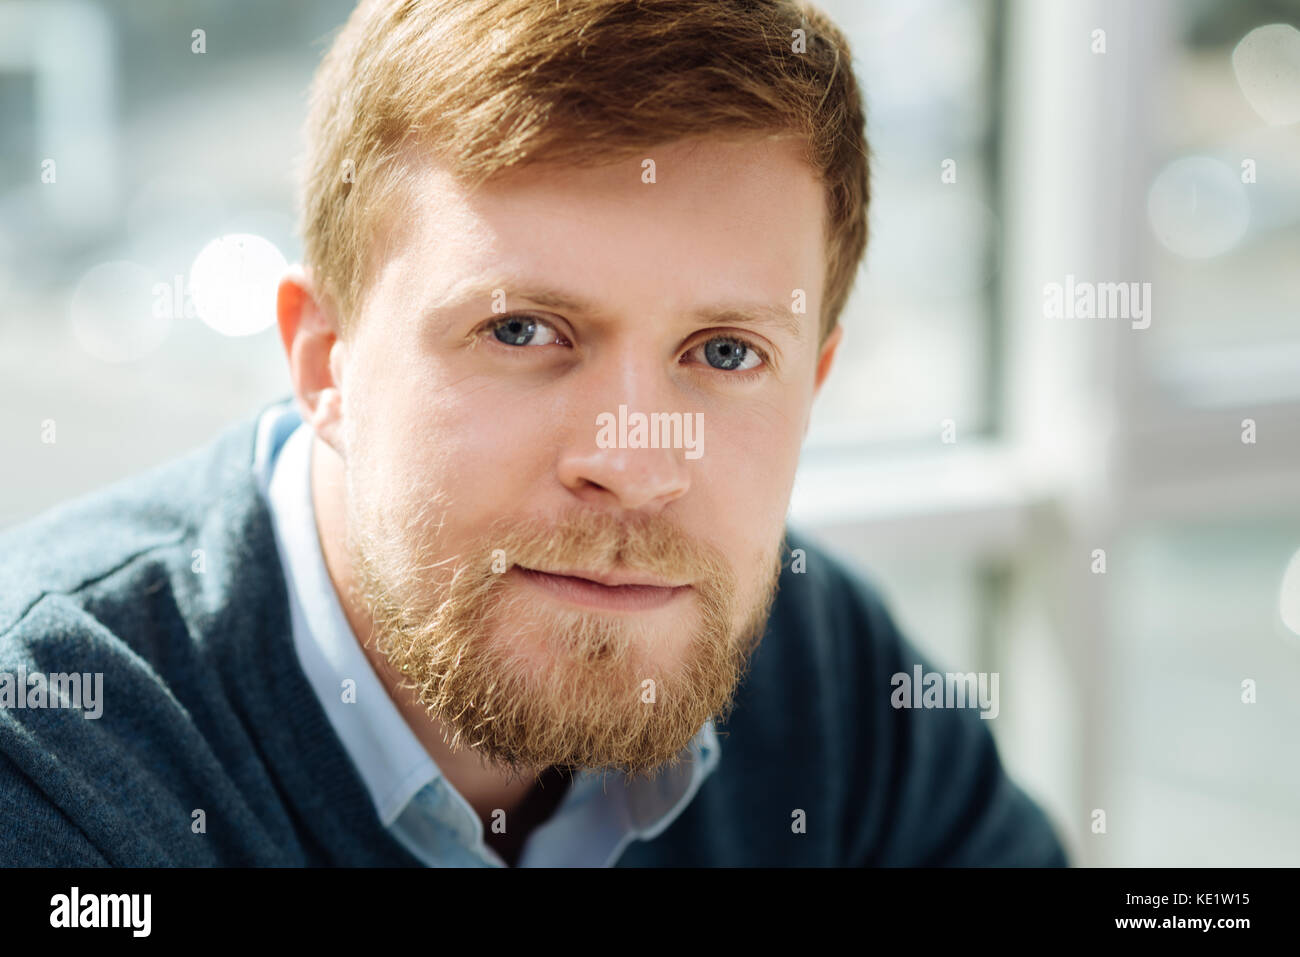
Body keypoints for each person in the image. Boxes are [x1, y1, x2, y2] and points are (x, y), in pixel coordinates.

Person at [0, 0, 1068, 866]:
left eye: (726, 352)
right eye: (522, 330)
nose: (633, 467)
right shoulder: (51, 750)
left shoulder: (825, 670)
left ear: (814, 381)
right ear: (326, 360)